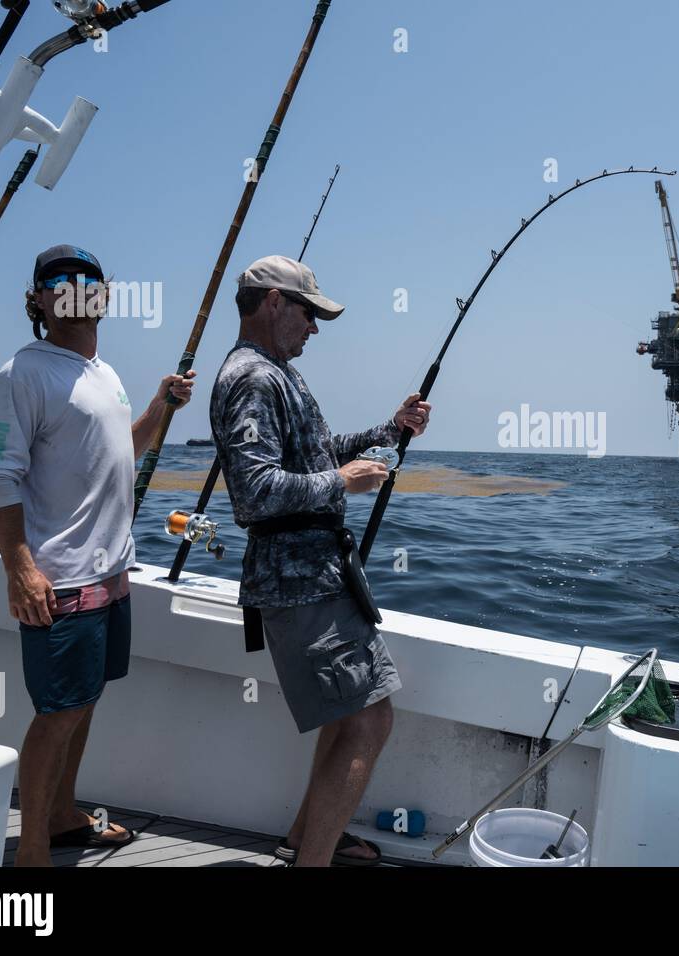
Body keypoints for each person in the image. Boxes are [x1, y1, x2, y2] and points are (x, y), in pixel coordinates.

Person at [0, 245, 196, 867]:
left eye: (91, 280)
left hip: (111, 575)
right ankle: (34, 852)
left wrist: (159, 407)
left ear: (105, 295)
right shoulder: (19, 375)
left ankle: (66, 815)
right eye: (62, 280)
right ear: (39, 299)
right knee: (58, 712)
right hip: (62, 579)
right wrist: (20, 567)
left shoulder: (104, 373)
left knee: (86, 699)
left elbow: (118, 451)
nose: (78, 288)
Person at [209, 255, 430, 867]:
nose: (315, 327)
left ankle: (304, 842)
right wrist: (342, 484)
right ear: (275, 303)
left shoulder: (278, 372)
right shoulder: (253, 378)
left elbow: (313, 453)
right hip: (301, 584)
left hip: (321, 576)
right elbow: (253, 492)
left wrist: (389, 428)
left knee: (346, 719)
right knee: (370, 722)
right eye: (309, 313)